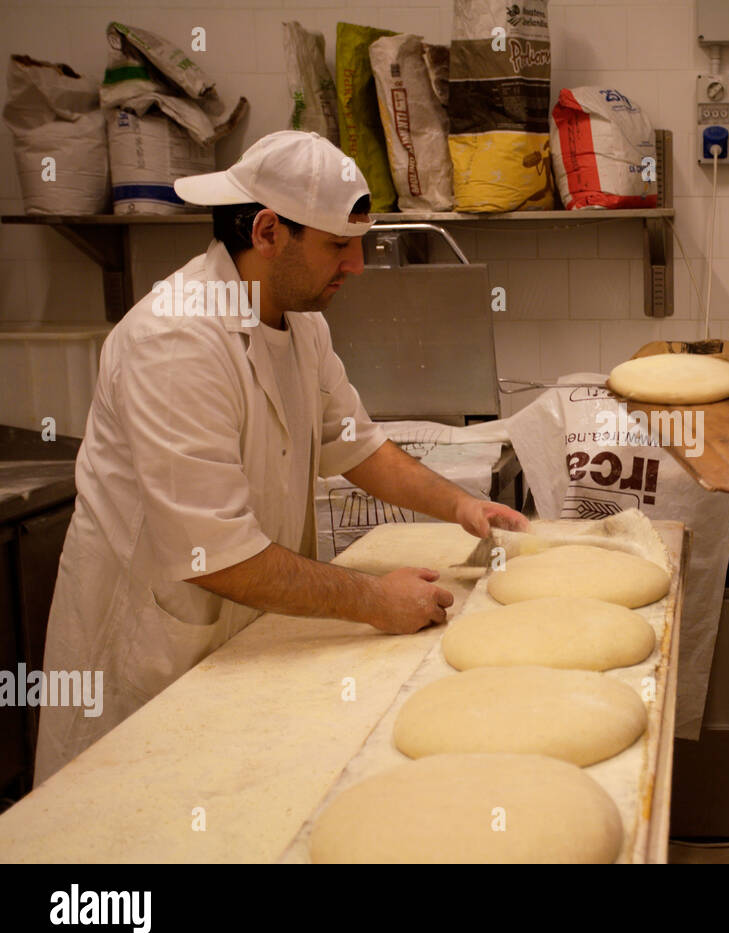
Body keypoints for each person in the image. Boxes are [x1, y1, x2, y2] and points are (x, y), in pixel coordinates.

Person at [35, 131, 528, 784]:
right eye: (336, 246)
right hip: (150, 668)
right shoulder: (176, 342)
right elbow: (218, 555)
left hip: (243, 645)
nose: (356, 265)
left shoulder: (301, 322)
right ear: (267, 231)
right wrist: (373, 601)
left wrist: (461, 504)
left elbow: (357, 444)